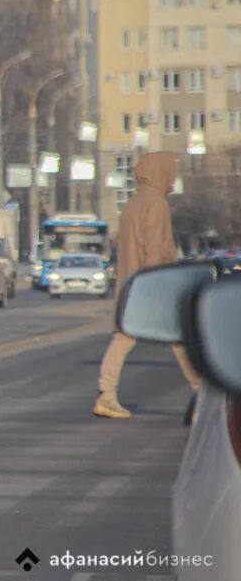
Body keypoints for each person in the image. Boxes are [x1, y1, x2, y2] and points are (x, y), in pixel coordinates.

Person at [94, 151, 202, 419]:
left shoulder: (132, 204)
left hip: (132, 284)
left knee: (124, 336)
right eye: (170, 170)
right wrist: (161, 284)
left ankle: (106, 395)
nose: (173, 177)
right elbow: (154, 248)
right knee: (179, 336)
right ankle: (203, 395)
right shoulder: (157, 204)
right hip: (154, 285)